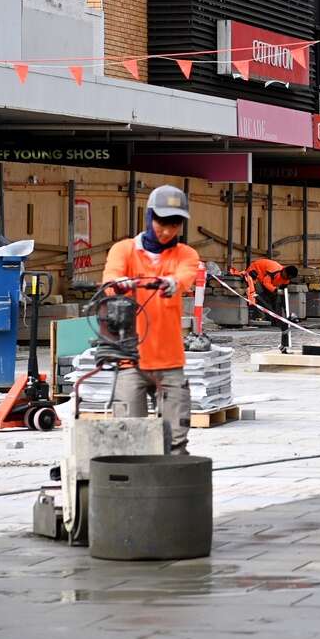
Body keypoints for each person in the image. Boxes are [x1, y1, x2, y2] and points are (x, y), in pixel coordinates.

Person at [103, 184, 201, 454]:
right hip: (130, 361)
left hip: (169, 362)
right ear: (149, 217)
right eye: (162, 222)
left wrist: (172, 282)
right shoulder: (123, 250)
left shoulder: (186, 255)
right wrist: (118, 284)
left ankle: (173, 491)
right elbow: (110, 279)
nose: (168, 230)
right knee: (129, 441)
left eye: (174, 224)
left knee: (175, 443)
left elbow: (184, 277)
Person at [242, 257, 297, 323]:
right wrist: (276, 291)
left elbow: (282, 293)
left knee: (275, 297)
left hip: (263, 278)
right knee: (259, 295)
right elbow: (266, 283)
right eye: (287, 277)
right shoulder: (274, 270)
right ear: (285, 271)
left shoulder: (287, 279)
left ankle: (276, 318)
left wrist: (283, 296)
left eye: (290, 278)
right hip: (254, 272)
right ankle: (260, 317)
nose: (288, 279)